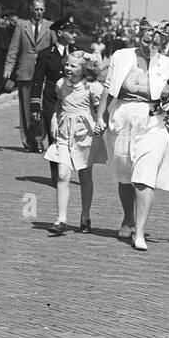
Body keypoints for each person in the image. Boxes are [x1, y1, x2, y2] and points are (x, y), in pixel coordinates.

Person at [95, 17, 169, 251]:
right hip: (122, 119)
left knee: (144, 177)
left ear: (162, 44)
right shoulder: (121, 56)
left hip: (152, 123)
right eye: (145, 41)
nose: (149, 47)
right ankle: (127, 218)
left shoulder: (168, 63)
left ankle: (140, 232)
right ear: (139, 37)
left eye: (154, 44)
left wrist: (161, 109)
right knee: (125, 175)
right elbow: (109, 88)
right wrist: (100, 116)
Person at [43, 50, 106, 234]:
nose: (68, 68)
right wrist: (55, 118)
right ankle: (61, 219)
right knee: (62, 174)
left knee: (85, 176)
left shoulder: (92, 87)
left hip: (84, 135)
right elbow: (59, 104)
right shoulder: (61, 83)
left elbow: (101, 110)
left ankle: (85, 215)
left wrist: (101, 123)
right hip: (64, 133)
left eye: (73, 66)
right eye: (67, 64)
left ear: (83, 69)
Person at [29, 14, 78, 181]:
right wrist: (35, 105)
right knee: (54, 136)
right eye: (70, 32)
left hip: (71, 101)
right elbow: (37, 81)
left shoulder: (76, 54)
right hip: (52, 100)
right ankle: (57, 175)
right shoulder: (46, 54)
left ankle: (65, 170)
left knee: (70, 138)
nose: (74, 35)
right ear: (59, 33)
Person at [2, 0, 54, 152]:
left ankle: (38, 139)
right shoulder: (22, 26)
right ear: (31, 9)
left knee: (40, 107)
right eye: (36, 9)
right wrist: (8, 67)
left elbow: (55, 49)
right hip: (25, 72)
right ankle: (27, 141)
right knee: (25, 109)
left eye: (42, 9)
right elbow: (13, 49)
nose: (39, 12)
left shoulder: (50, 27)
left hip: (43, 73)